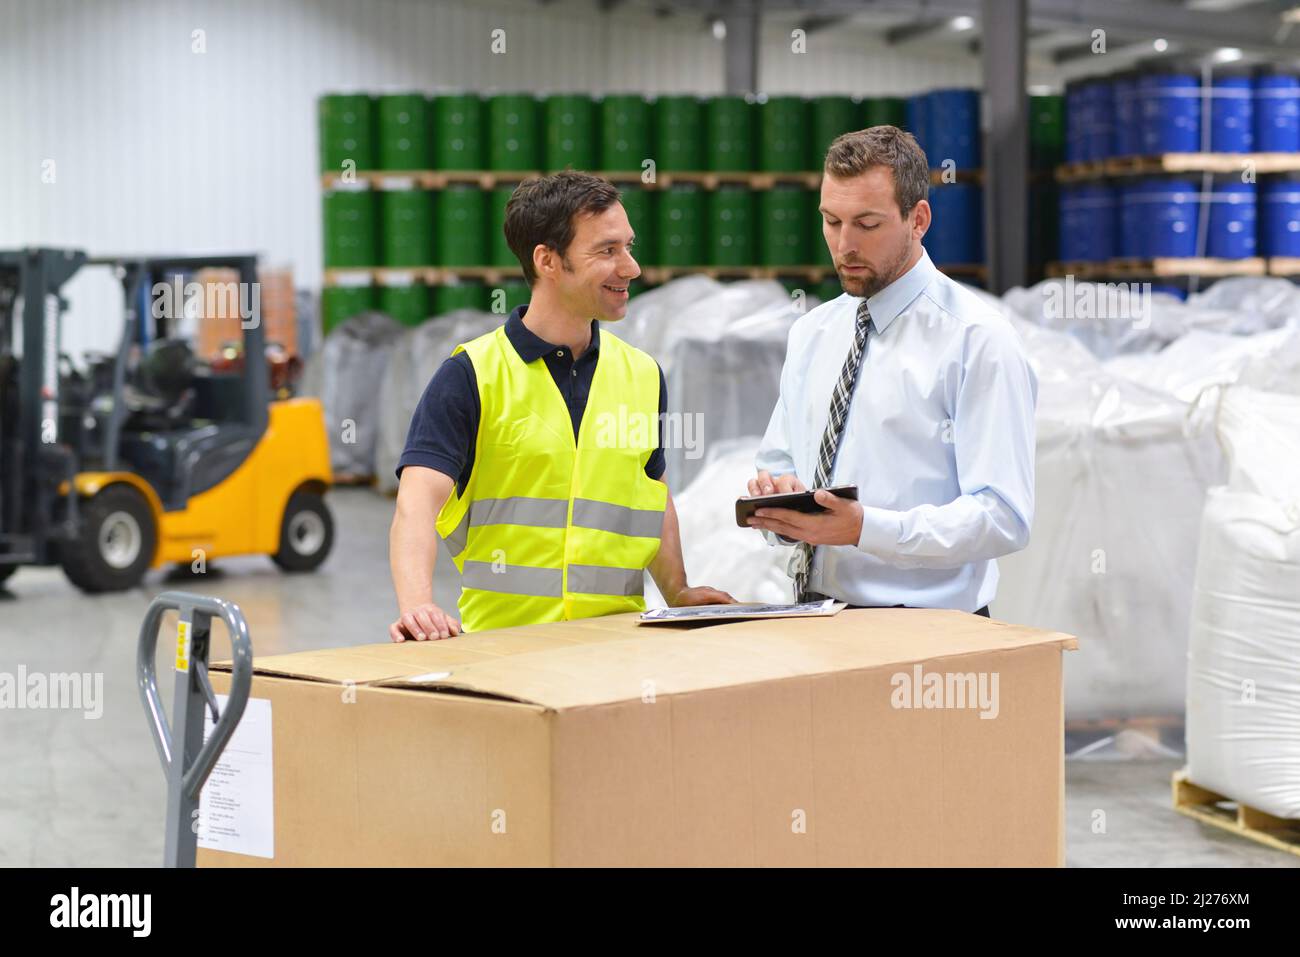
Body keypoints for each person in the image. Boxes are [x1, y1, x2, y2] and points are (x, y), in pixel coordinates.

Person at [390, 171, 734, 640]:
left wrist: (678, 593)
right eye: (607, 251)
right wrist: (418, 605)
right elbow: (416, 501)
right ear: (548, 261)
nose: (631, 267)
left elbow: (652, 493)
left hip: (620, 646)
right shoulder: (472, 374)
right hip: (505, 651)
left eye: (628, 247)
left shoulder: (642, 374)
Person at [746, 126, 1037, 616]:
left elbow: (1003, 515)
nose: (844, 246)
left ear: (918, 219)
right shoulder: (814, 332)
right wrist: (780, 494)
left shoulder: (976, 339)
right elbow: (780, 458)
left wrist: (866, 529)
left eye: (867, 224)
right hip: (816, 618)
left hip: (929, 632)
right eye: (831, 221)